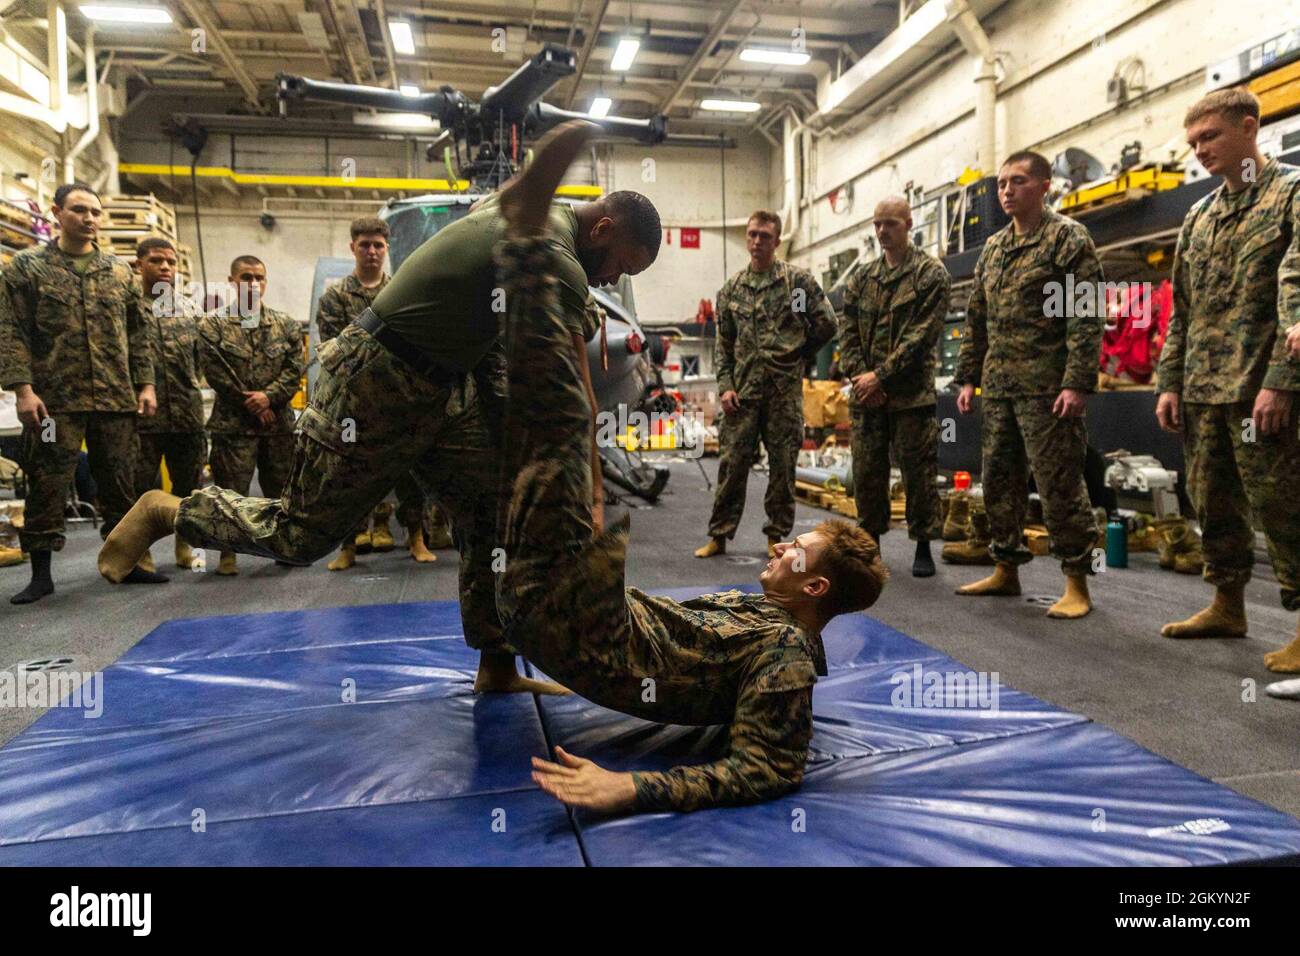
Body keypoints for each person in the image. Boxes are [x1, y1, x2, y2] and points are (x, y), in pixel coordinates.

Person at [98, 169, 662, 697]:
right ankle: (166, 511)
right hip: (377, 381)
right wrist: (582, 488)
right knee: (301, 535)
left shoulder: (523, 212)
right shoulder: (553, 255)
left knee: (490, 512)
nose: (613, 278)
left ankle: (496, 666)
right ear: (604, 228)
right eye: (620, 266)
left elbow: (495, 340)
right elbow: (570, 378)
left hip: (442, 389)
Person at [1155, 88, 1300, 677]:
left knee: (1283, 506)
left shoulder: (1291, 194)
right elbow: (1181, 310)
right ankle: (1227, 604)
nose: (1200, 152)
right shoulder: (1199, 216)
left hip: (1260, 386)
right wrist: (1169, 381)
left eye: (1209, 138)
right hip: (1202, 390)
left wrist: (1284, 381)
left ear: (1249, 127)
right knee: (1211, 502)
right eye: (1193, 143)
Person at [953, 150, 1105, 619]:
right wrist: (966, 376)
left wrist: (1077, 382)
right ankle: (1006, 567)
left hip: (1048, 390)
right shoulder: (994, 249)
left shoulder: (1067, 240)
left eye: (1017, 181)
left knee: (1060, 484)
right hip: (999, 388)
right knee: (998, 481)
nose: (1006, 191)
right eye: (1001, 184)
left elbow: (1085, 314)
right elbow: (975, 318)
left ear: (1044, 187)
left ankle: (1076, 582)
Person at [0, 182, 163, 604]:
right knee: (48, 480)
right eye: (78, 210)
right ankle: (40, 574)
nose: (89, 218)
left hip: (114, 398)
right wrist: (22, 389)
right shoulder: (27, 269)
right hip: (54, 403)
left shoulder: (119, 272)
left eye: (95, 211)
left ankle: (129, 562)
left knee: (121, 482)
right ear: (57, 213)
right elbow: (11, 332)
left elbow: (139, 334)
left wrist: (145, 385)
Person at [695, 210, 836, 560]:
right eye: (753, 234)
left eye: (765, 236)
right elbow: (723, 345)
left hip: (782, 393)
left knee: (783, 466)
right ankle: (719, 534)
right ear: (747, 237)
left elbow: (826, 323)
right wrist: (725, 385)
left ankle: (776, 535)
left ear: (777, 241)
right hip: (742, 394)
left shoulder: (796, 285)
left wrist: (799, 354)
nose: (757, 242)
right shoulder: (730, 292)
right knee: (731, 465)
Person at [316, 216, 438, 570]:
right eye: (365, 244)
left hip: (398, 399)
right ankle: (348, 547)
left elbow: (413, 342)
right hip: (353, 402)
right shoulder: (335, 297)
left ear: (387, 249)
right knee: (349, 475)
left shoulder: (401, 289)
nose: (371, 251)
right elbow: (332, 349)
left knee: (408, 474)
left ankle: (416, 538)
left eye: (378, 245)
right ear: (352, 247)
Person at [840, 196, 950, 578]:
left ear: (909, 224)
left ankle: (922, 545)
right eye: (877, 224)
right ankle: (870, 545)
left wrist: (881, 377)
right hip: (867, 396)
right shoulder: (861, 279)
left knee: (918, 474)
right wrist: (862, 378)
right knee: (867, 472)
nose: (883, 231)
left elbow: (922, 336)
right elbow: (847, 334)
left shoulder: (930, 274)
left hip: (911, 397)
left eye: (891, 223)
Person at [198, 255, 304, 576]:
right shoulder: (212, 326)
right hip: (234, 425)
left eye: (260, 278)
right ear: (232, 282)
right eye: (246, 277)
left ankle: (282, 549)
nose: (254, 284)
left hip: (278, 424)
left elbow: (294, 368)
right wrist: (253, 403)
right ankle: (227, 554)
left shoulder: (285, 324)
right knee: (230, 492)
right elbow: (215, 372)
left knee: (281, 490)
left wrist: (269, 397)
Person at [132, 238, 206, 572]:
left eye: (170, 262)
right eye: (156, 261)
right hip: (142, 417)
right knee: (142, 487)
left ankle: (185, 547)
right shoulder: (128, 307)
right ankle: (140, 552)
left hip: (186, 413)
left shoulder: (189, 309)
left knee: (189, 487)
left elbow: (199, 362)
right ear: (139, 265)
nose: (165, 267)